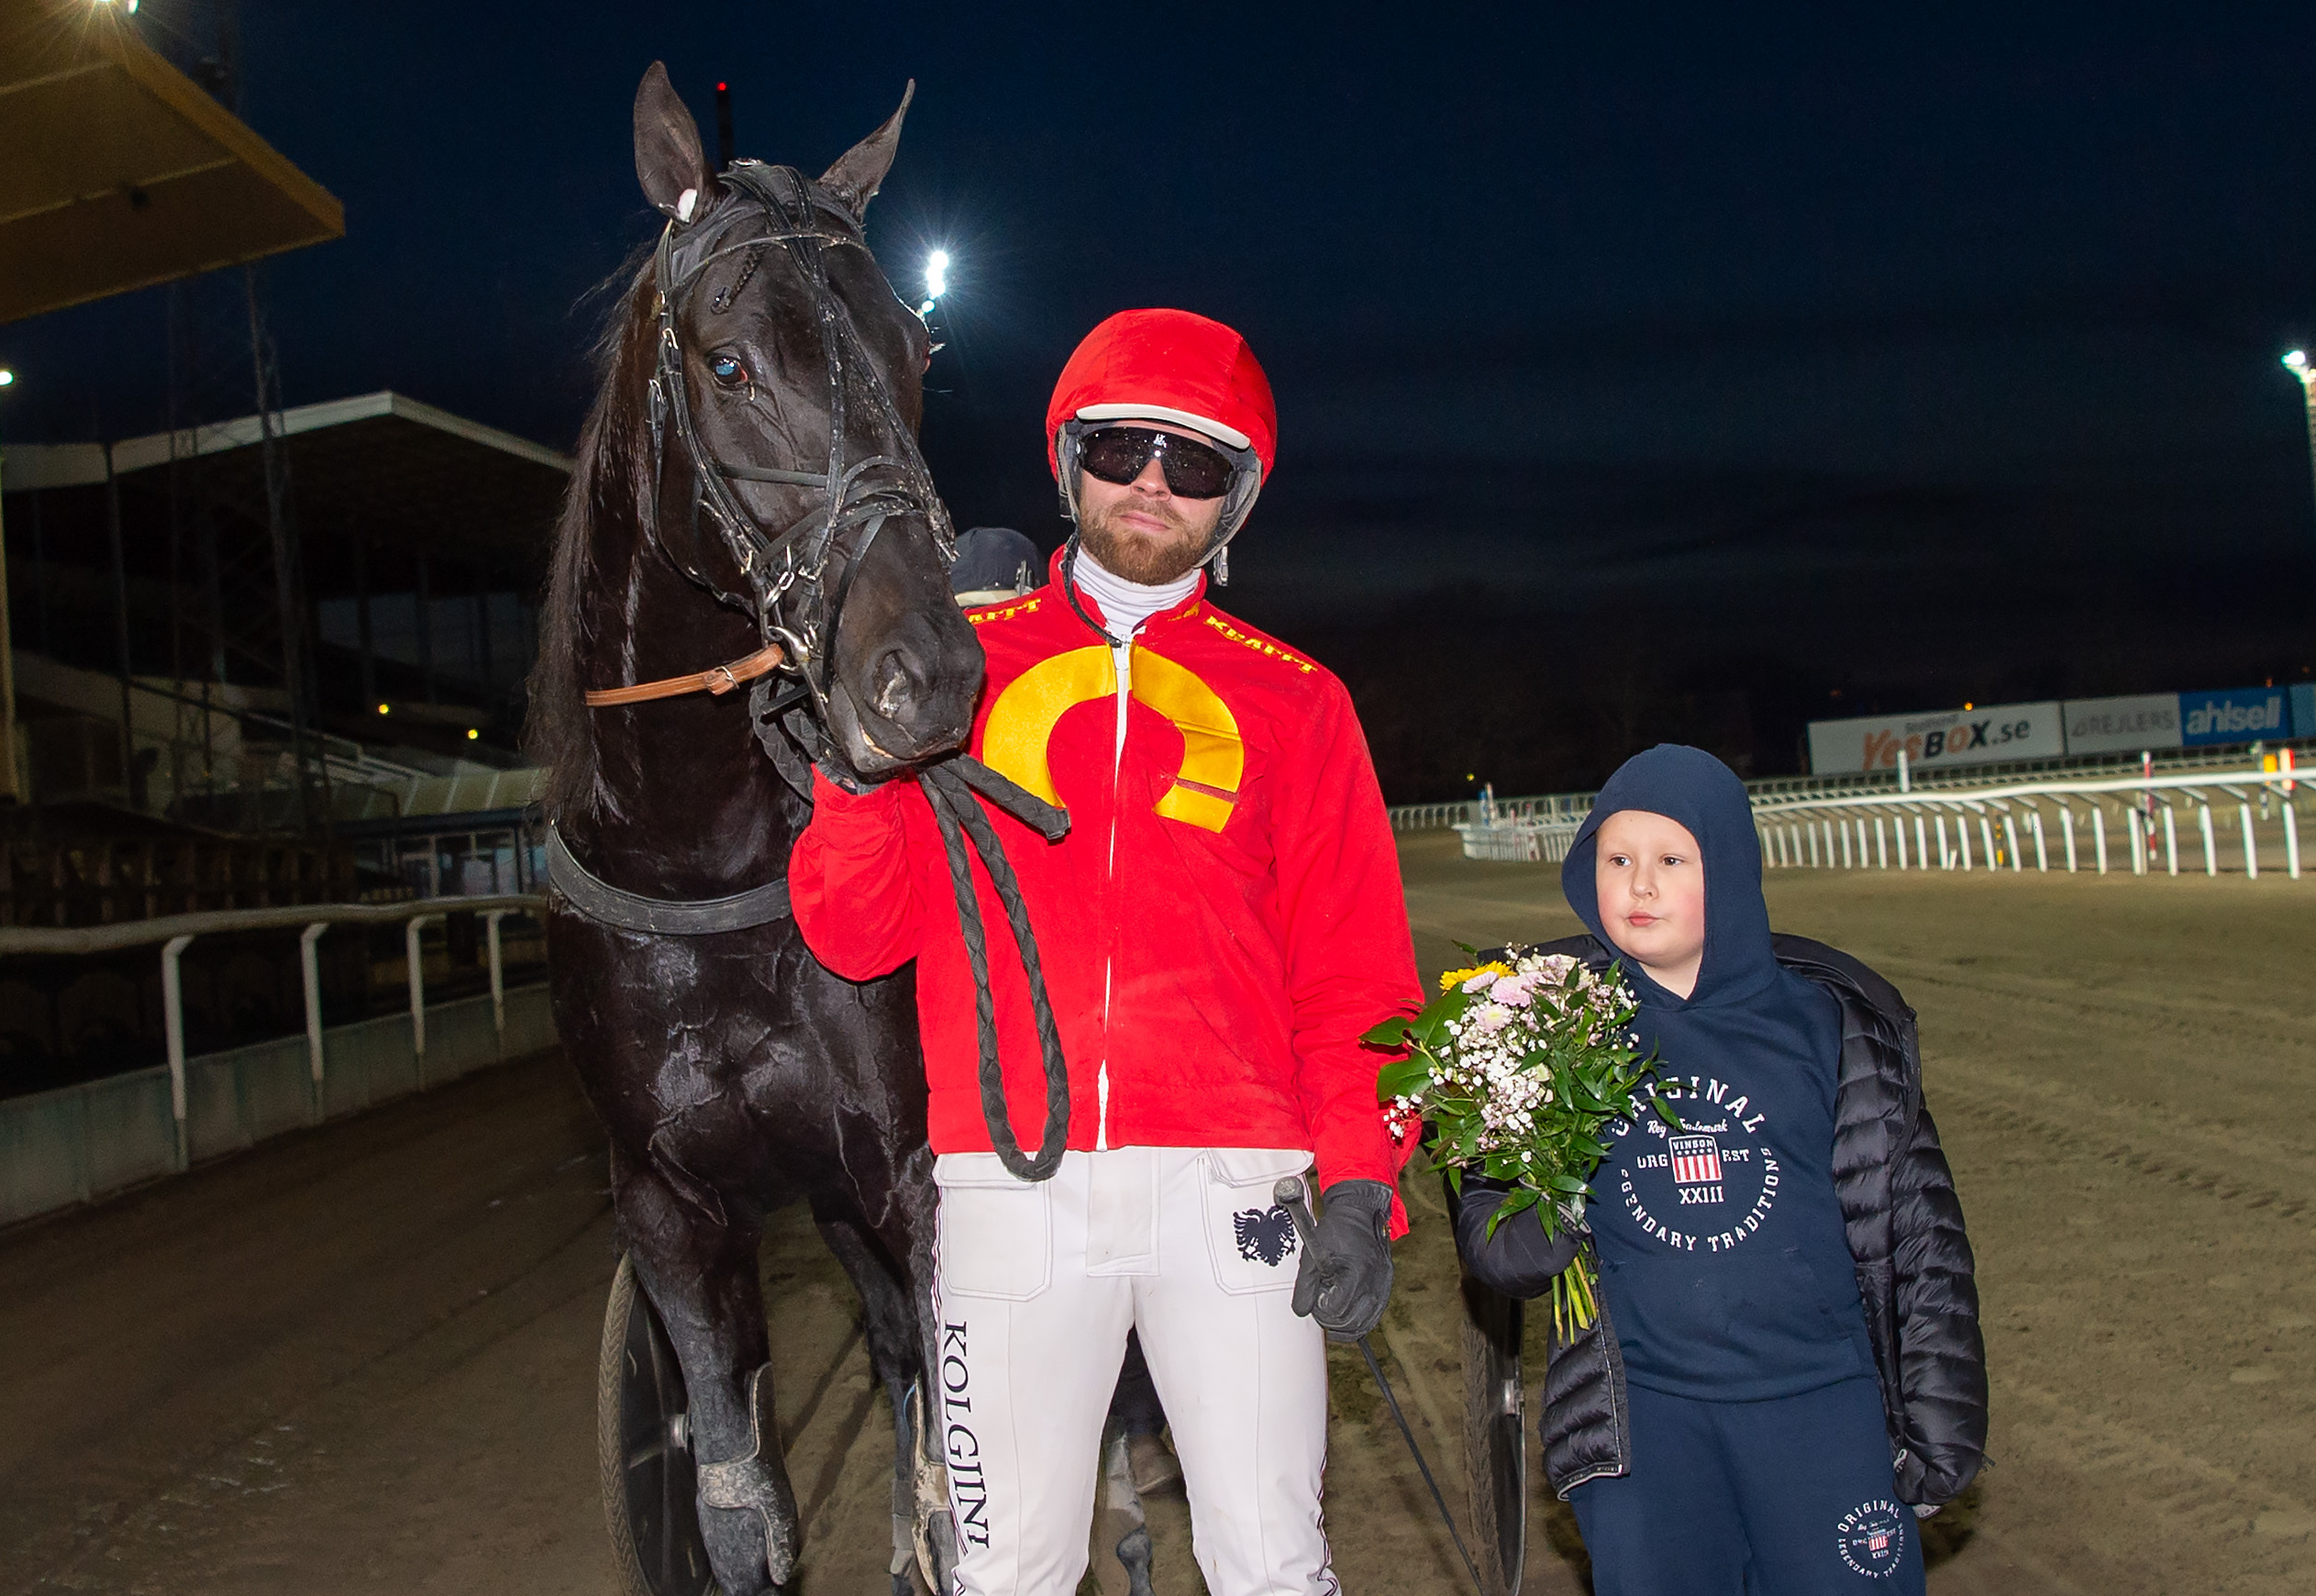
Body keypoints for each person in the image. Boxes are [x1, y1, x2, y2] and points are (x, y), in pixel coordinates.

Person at [790, 307, 1419, 1595]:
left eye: (1192, 464)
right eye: (1124, 446)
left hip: (1233, 1193)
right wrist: (854, 775)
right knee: (1008, 1569)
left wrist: (1358, 1179)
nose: (1150, 483)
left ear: (1233, 500)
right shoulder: (958, 669)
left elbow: (1353, 972)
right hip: (1008, 1191)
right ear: (1068, 460)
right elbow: (857, 935)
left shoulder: (1300, 702)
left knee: (1272, 1560)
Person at [1451, 744, 1985, 1596]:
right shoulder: (1547, 1033)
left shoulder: (1834, 1028)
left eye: (1671, 860)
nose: (1639, 886)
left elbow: (1922, 1242)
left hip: (1823, 1411)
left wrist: (1942, 1418)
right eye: (1616, 859)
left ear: (1729, 872)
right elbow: (1493, 1236)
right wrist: (1525, 1225)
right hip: (1648, 1431)